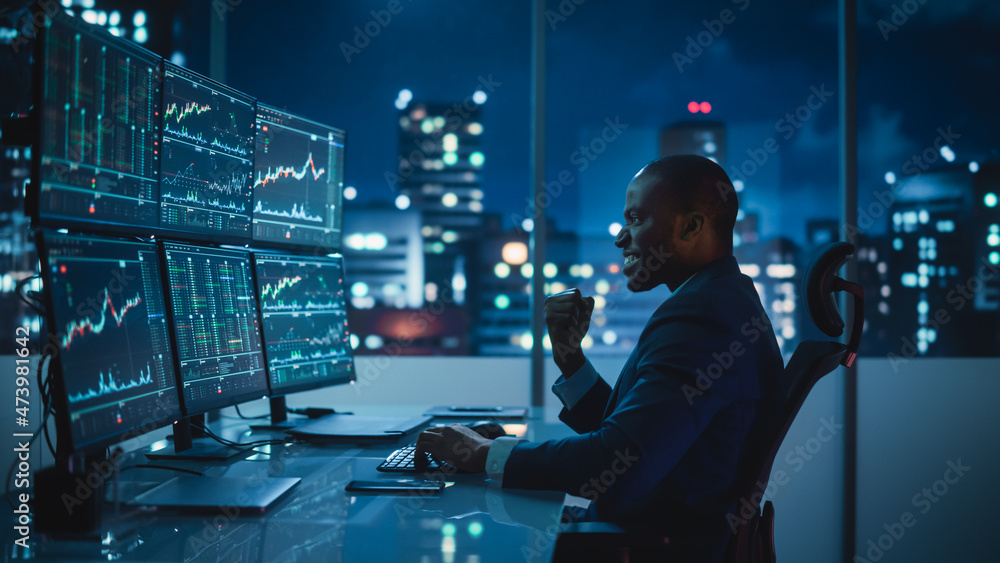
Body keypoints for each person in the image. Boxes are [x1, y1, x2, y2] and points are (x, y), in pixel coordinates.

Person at [417, 154, 783, 559]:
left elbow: (620, 464)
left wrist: (486, 455)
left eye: (636, 219)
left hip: (650, 545)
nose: (620, 238)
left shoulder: (703, 315)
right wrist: (570, 359)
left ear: (692, 226)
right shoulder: (722, 299)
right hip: (653, 529)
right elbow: (644, 438)